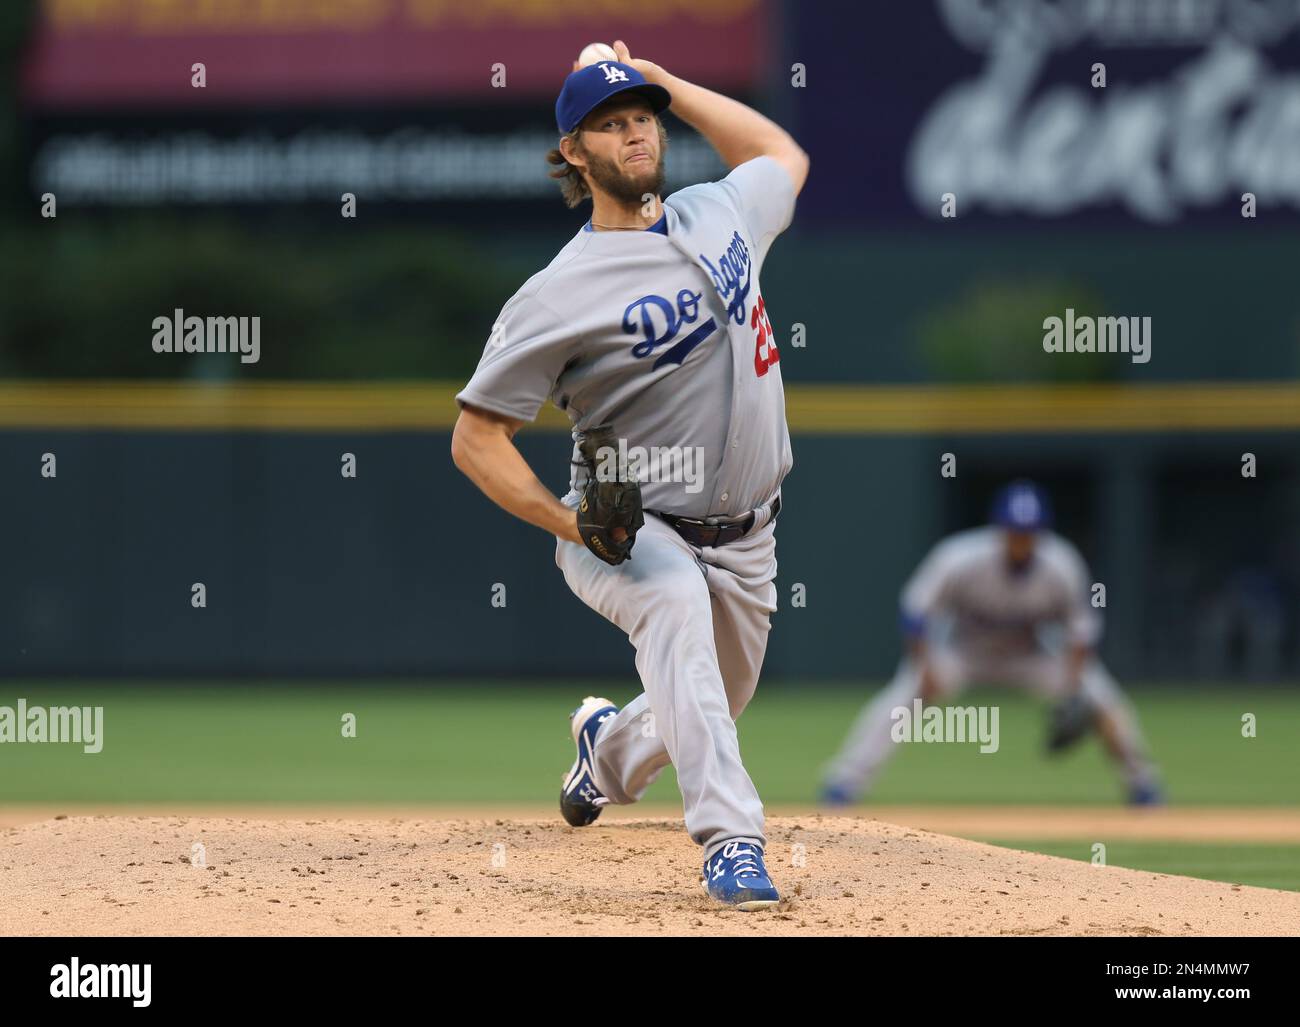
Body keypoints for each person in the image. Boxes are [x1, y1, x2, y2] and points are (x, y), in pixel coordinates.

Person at [451, 40, 809, 909]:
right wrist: (569, 525)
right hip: (627, 527)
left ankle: (606, 749)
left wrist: (674, 84)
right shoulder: (557, 292)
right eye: (610, 125)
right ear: (574, 153)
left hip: (748, 531)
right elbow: (477, 436)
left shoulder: (718, 210)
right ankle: (731, 840)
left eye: (641, 117)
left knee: (716, 693)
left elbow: (783, 159)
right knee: (677, 608)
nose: (634, 134)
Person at [820, 481, 1163, 806]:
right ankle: (843, 784)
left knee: (1101, 695)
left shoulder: (1062, 563)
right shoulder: (959, 557)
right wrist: (924, 668)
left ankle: (1143, 785)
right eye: (1014, 531)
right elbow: (915, 611)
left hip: (1031, 655)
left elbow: (1081, 632)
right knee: (903, 697)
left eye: (1029, 533)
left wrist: (1073, 689)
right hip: (964, 651)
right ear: (999, 529)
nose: (1021, 540)